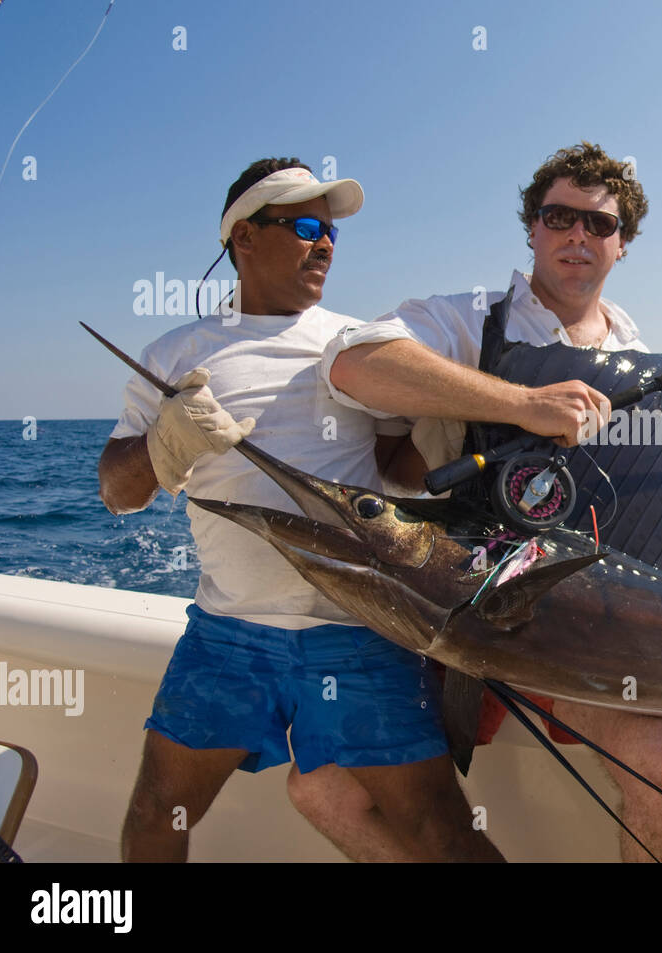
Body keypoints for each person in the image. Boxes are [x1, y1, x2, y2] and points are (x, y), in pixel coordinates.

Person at [313, 142, 662, 862]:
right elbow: (352, 362)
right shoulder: (467, 319)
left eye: (600, 224)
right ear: (532, 227)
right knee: (324, 786)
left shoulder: (637, 354)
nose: (577, 236)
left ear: (623, 245)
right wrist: (522, 404)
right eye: (559, 217)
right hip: (460, 606)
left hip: (582, 629)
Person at [97, 158, 501, 862]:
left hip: (359, 630)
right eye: (307, 226)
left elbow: (396, 469)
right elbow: (118, 493)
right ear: (244, 238)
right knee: (158, 812)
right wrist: (164, 444)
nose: (326, 244)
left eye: (332, 232)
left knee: (441, 831)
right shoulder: (173, 354)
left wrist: (441, 439)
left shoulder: (358, 346)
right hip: (226, 636)